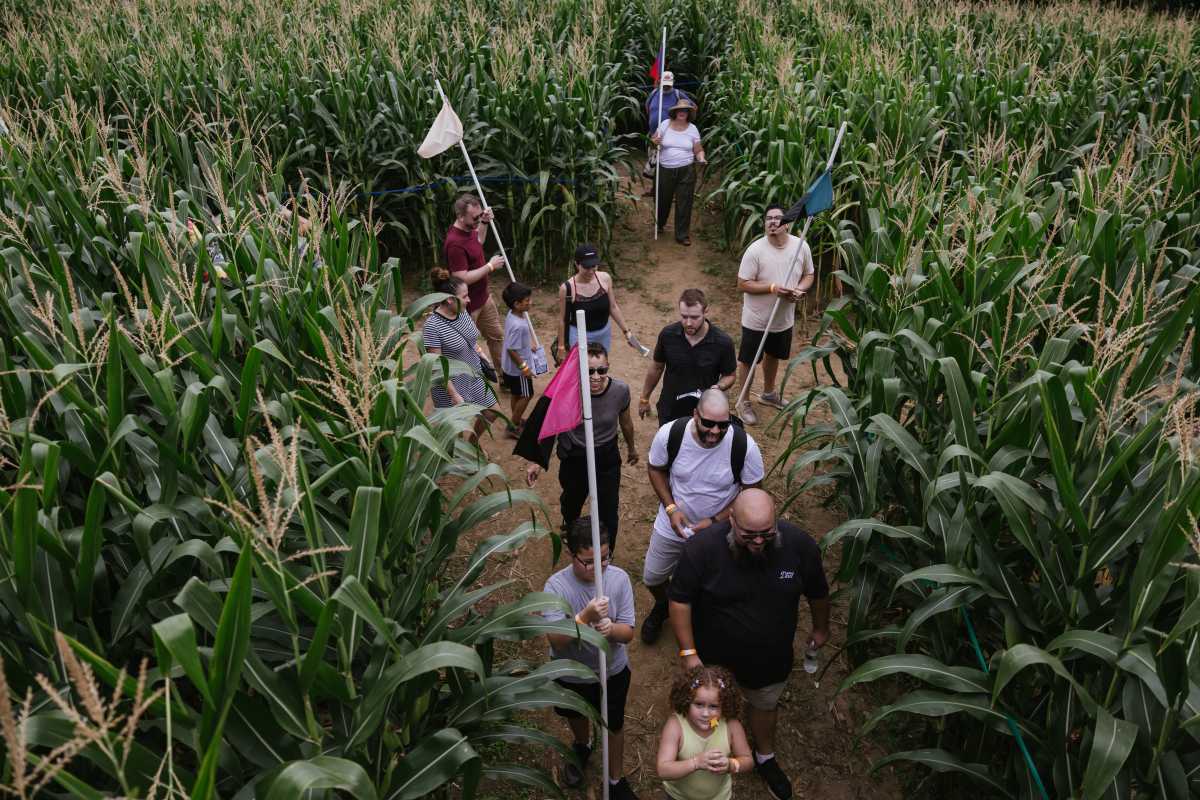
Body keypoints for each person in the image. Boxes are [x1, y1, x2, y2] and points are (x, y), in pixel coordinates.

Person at [669, 488, 831, 800]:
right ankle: (708, 752)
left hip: (770, 658)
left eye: (766, 533)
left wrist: (821, 628)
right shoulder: (702, 549)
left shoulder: (800, 546)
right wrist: (688, 652)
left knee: (765, 704)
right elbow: (679, 600)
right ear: (731, 520)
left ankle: (765, 756)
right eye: (749, 534)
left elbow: (818, 592)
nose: (758, 541)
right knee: (710, 709)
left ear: (776, 520)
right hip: (713, 660)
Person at [640, 389, 764, 645]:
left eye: (722, 425)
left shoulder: (744, 447)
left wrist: (716, 521)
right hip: (672, 524)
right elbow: (655, 468)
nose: (715, 432)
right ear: (695, 414)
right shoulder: (671, 434)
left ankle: (698, 617)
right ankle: (665, 605)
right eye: (708, 423)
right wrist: (671, 508)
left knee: (715, 585)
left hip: (718, 532)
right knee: (653, 577)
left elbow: (752, 492)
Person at [543, 518, 639, 800]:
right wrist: (584, 619)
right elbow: (556, 640)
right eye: (588, 561)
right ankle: (582, 745)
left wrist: (611, 629)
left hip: (611, 670)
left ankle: (615, 778)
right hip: (572, 671)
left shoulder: (619, 579)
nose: (598, 567)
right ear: (571, 554)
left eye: (605, 558)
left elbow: (628, 632)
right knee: (575, 712)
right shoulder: (555, 587)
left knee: (614, 723)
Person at [527, 343, 638, 549]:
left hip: (606, 456)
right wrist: (538, 462)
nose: (595, 377)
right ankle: (571, 533)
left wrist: (631, 448)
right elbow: (551, 425)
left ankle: (607, 551)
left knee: (608, 508)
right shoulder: (567, 392)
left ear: (608, 367)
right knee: (571, 503)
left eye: (601, 370)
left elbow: (626, 422)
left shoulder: (620, 390)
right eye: (588, 371)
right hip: (575, 457)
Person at [734, 204, 814, 425]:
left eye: (777, 218)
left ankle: (769, 394)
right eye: (768, 219)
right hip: (757, 319)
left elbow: (809, 274)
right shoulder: (756, 250)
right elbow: (742, 284)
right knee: (749, 360)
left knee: (773, 355)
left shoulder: (801, 246)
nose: (772, 222)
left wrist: (800, 290)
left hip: (783, 319)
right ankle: (743, 401)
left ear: (786, 224)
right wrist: (772, 288)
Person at [421, 268, 499, 443]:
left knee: (492, 411)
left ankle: (473, 443)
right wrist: (454, 394)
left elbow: (470, 338)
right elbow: (438, 365)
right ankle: (459, 460)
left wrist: (481, 353)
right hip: (450, 385)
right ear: (449, 300)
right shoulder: (432, 326)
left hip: (473, 375)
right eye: (464, 296)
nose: (469, 300)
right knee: (455, 429)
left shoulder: (462, 312)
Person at [640, 288, 736, 423]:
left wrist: (718, 387)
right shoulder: (668, 335)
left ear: (706, 311)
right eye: (684, 317)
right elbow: (657, 367)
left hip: (703, 412)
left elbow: (730, 375)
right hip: (670, 407)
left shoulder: (722, 342)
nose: (688, 323)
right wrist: (644, 398)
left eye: (695, 317)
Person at [656, 665, 752, 800]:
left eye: (713, 706)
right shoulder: (676, 726)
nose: (705, 714)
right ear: (686, 700)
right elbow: (663, 770)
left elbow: (747, 760)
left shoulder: (730, 726)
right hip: (678, 797)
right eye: (699, 704)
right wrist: (696, 763)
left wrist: (731, 764)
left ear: (724, 706)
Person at [443, 193, 507, 375]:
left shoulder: (470, 230)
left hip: (483, 298)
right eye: (475, 217)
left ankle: (503, 377)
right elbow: (460, 277)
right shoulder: (454, 243)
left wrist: (484, 223)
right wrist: (490, 266)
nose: (478, 219)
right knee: (465, 346)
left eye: (480, 215)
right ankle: (471, 386)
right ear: (460, 216)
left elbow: (478, 241)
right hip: (466, 305)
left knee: (497, 337)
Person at [556, 243, 635, 362]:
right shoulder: (567, 288)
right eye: (586, 267)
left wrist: (627, 332)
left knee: (600, 368)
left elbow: (613, 307)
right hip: (579, 337)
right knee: (580, 370)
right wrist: (561, 347)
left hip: (603, 334)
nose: (591, 271)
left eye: (594, 266)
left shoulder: (605, 279)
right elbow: (562, 319)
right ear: (577, 265)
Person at [651, 98, 706, 246]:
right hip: (665, 169)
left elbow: (698, 149)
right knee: (662, 200)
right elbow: (654, 141)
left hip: (686, 169)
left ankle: (682, 235)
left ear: (689, 113)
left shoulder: (693, 129)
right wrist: (655, 142)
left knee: (685, 202)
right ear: (675, 112)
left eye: (685, 110)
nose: (682, 112)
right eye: (680, 110)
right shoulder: (665, 125)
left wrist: (701, 158)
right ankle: (660, 224)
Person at [643, 71, 694, 197]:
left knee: (668, 164)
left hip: (672, 136)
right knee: (655, 163)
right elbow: (647, 106)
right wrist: (653, 120)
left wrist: (682, 125)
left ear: (673, 82)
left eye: (669, 84)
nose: (666, 86)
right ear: (660, 82)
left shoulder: (678, 94)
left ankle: (670, 192)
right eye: (664, 83)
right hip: (655, 135)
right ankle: (655, 190)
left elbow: (693, 108)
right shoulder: (654, 93)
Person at [500, 281, 536, 438]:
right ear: (516, 304)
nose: (530, 302)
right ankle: (513, 426)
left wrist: (528, 346)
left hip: (508, 368)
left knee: (516, 394)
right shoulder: (519, 325)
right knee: (527, 395)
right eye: (527, 300)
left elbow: (513, 343)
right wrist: (524, 367)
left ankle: (516, 419)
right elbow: (511, 349)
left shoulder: (512, 315)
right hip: (518, 370)